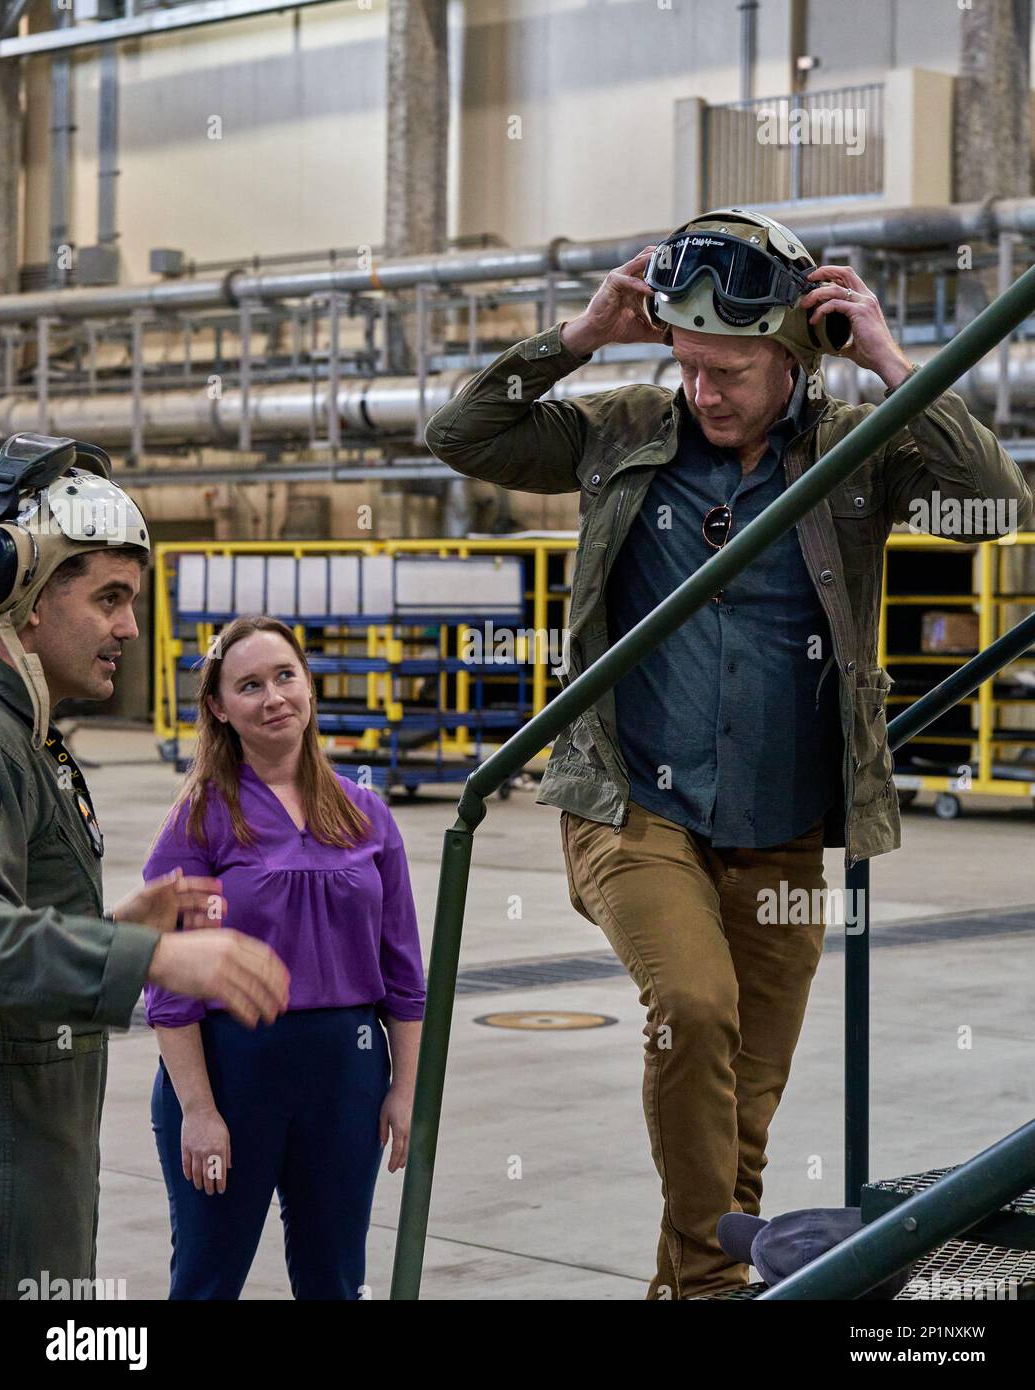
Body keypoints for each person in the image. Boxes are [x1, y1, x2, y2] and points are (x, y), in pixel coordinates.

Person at [424, 208, 1033, 1298]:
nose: (704, 390)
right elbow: (461, 437)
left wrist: (894, 361)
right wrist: (578, 335)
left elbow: (995, 508)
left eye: (732, 368)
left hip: (783, 826)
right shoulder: (618, 428)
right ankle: (711, 1284)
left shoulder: (855, 446)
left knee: (744, 1091)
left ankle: (686, 1283)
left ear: (798, 350)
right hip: (631, 806)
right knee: (692, 1008)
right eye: (689, 364)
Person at [0, 432, 290, 1302]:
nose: (130, 625)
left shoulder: (30, 736)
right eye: (110, 597)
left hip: (40, 1160)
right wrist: (153, 960)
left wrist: (118, 929)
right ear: (22, 594)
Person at [144, 615, 425, 1300]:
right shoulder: (200, 818)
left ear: (308, 686)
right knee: (208, 1281)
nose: (272, 698)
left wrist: (406, 1091)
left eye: (284, 677)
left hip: (347, 1076)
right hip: (231, 1070)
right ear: (218, 707)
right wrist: (200, 1112)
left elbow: (404, 974)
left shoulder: (367, 814)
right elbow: (168, 985)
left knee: (334, 1281)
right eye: (248, 686)